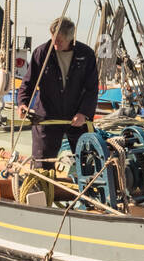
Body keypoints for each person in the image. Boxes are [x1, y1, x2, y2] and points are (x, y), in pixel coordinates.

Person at [18, 16, 99, 164]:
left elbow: (91, 89)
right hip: (46, 117)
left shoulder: (86, 55)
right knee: (42, 162)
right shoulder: (41, 53)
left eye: (60, 40)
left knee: (87, 161)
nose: (55, 43)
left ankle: (88, 185)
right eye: (53, 38)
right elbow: (28, 83)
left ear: (70, 38)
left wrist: (84, 114)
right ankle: (43, 185)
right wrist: (23, 103)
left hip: (77, 117)